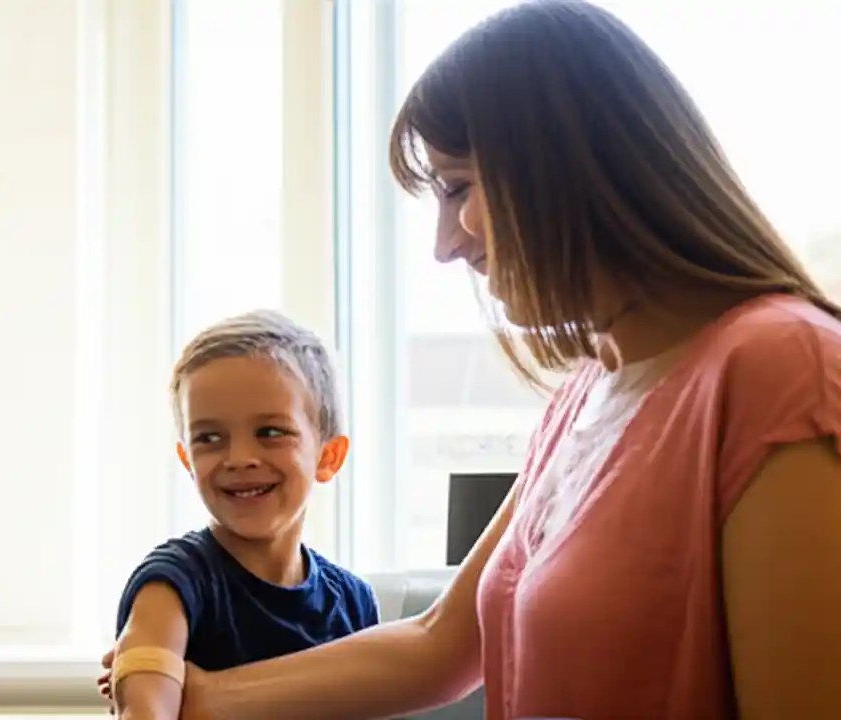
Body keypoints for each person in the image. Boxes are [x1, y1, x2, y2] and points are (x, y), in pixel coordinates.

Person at [100, 2, 841, 719]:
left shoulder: (780, 367)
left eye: (458, 188)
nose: (445, 244)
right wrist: (204, 697)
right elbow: (440, 647)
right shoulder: (583, 399)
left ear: (565, 164)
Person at [107, 310, 379, 717]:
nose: (240, 458)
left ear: (328, 456)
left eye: (270, 432)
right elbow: (146, 710)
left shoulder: (353, 602)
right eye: (210, 438)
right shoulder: (173, 585)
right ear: (187, 460)